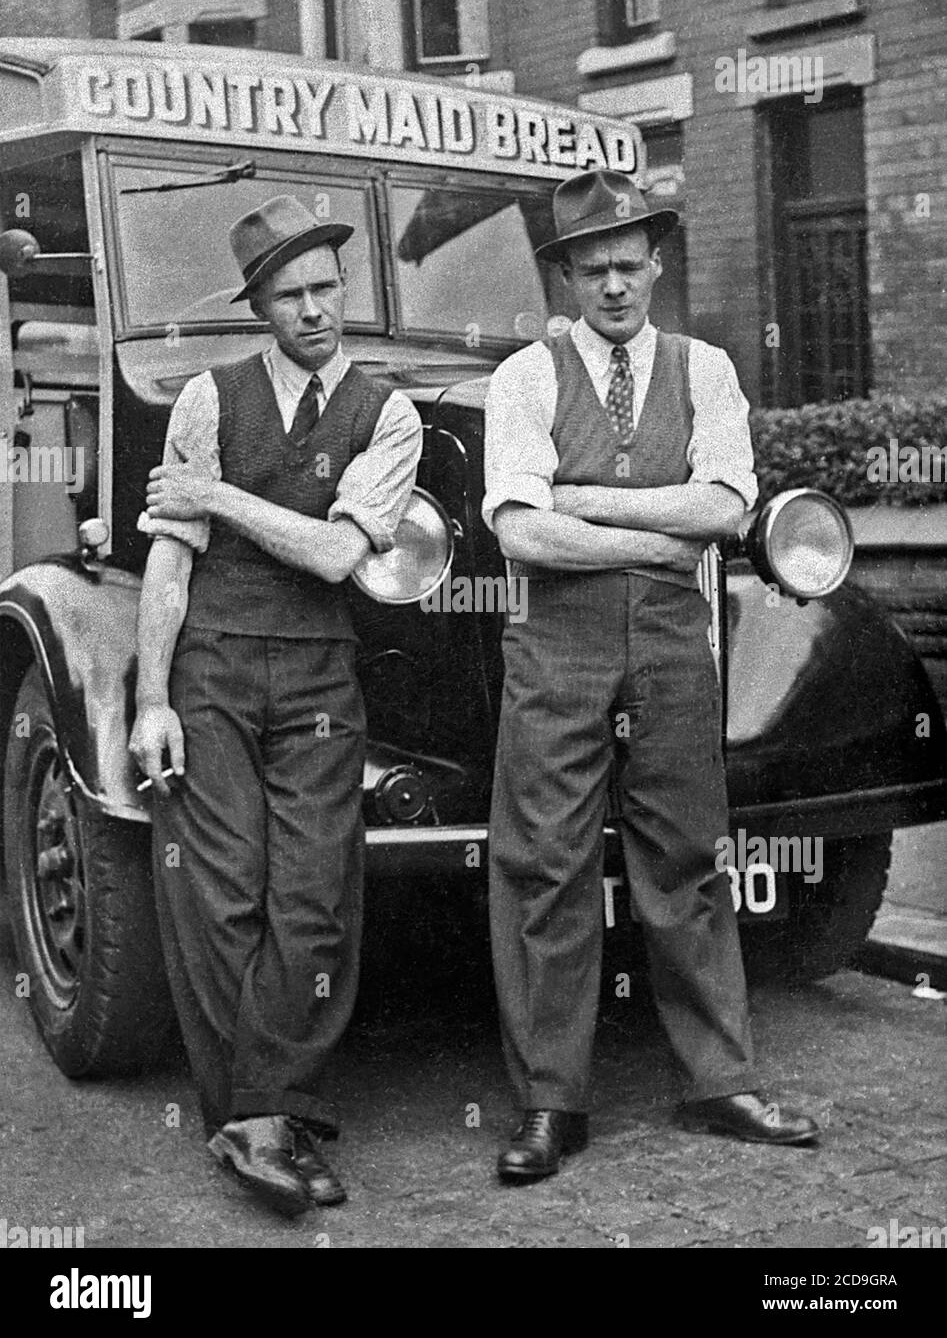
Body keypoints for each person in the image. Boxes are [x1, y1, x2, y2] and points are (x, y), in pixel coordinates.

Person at [482, 168, 819, 1182]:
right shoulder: (524, 378)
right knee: (545, 861)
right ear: (564, 275)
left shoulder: (704, 368)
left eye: (629, 266)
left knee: (688, 855)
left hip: (674, 647)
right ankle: (551, 1101)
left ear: (656, 265)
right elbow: (516, 531)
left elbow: (723, 510)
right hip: (556, 645)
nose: (615, 288)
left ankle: (719, 1078)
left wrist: (583, 502)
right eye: (593, 270)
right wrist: (654, 537)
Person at [130, 195, 422, 1216]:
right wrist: (150, 698)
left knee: (312, 898)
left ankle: (256, 1118)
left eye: (326, 289)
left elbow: (340, 553)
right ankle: (263, 1123)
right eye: (291, 294)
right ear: (259, 306)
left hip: (315, 677)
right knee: (222, 890)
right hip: (210, 661)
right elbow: (171, 559)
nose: (314, 311)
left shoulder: (387, 413)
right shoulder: (206, 400)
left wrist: (212, 497)